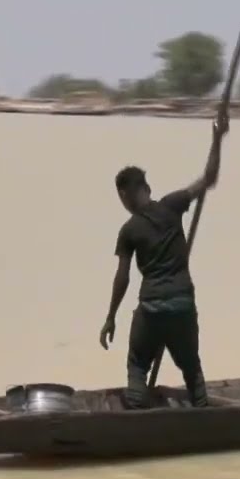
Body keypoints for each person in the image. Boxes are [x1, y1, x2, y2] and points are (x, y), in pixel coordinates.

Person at [99, 118, 225, 409]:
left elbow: (123, 278)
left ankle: (135, 417)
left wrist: (110, 318)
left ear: (124, 195)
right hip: (181, 302)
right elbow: (208, 177)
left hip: (152, 307)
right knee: (192, 370)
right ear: (148, 188)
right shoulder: (172, 205)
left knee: (138, 364)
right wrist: (218, 139)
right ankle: (205, 418)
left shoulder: (128, 230)